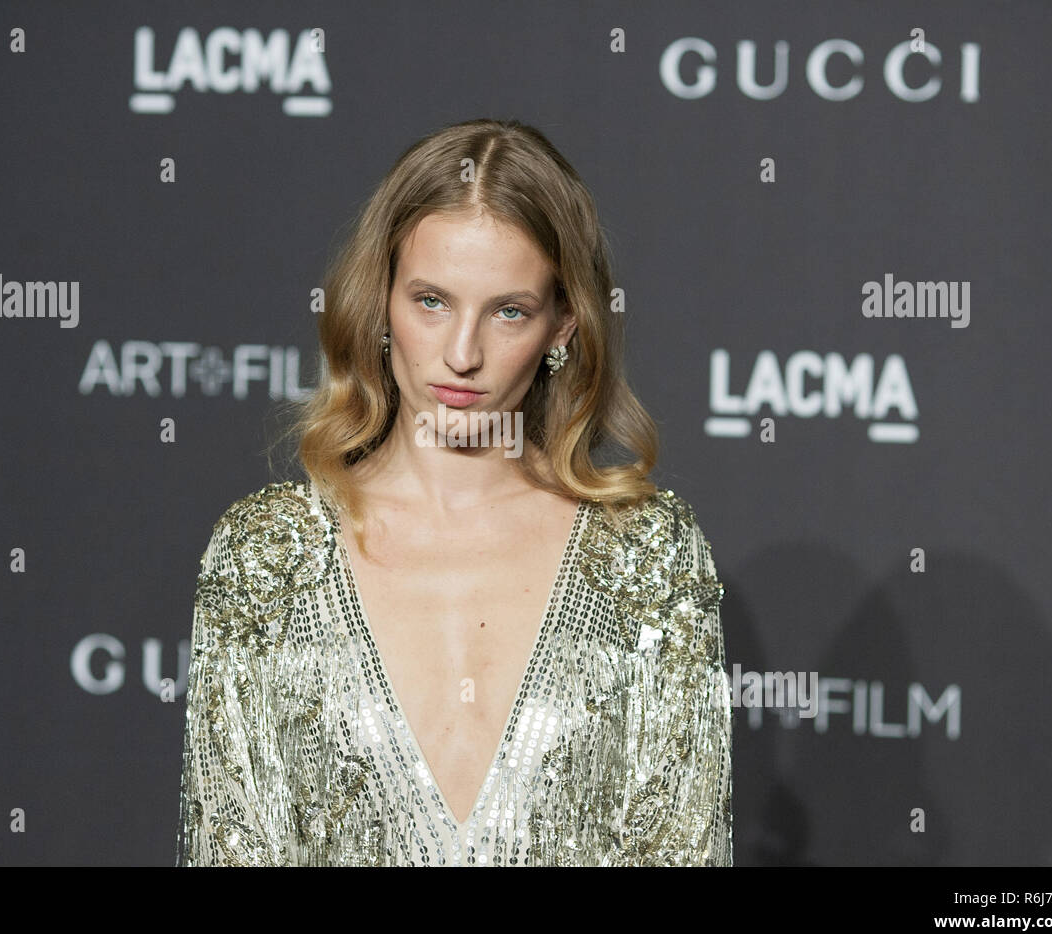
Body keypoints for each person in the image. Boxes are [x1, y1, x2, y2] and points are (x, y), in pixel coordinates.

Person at [176, 118, 731, 866]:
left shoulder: (648, 557)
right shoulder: (266, 558)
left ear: (562, 325)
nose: (462, 354)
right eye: (431, 301)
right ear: (380, 303)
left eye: (509, 311)